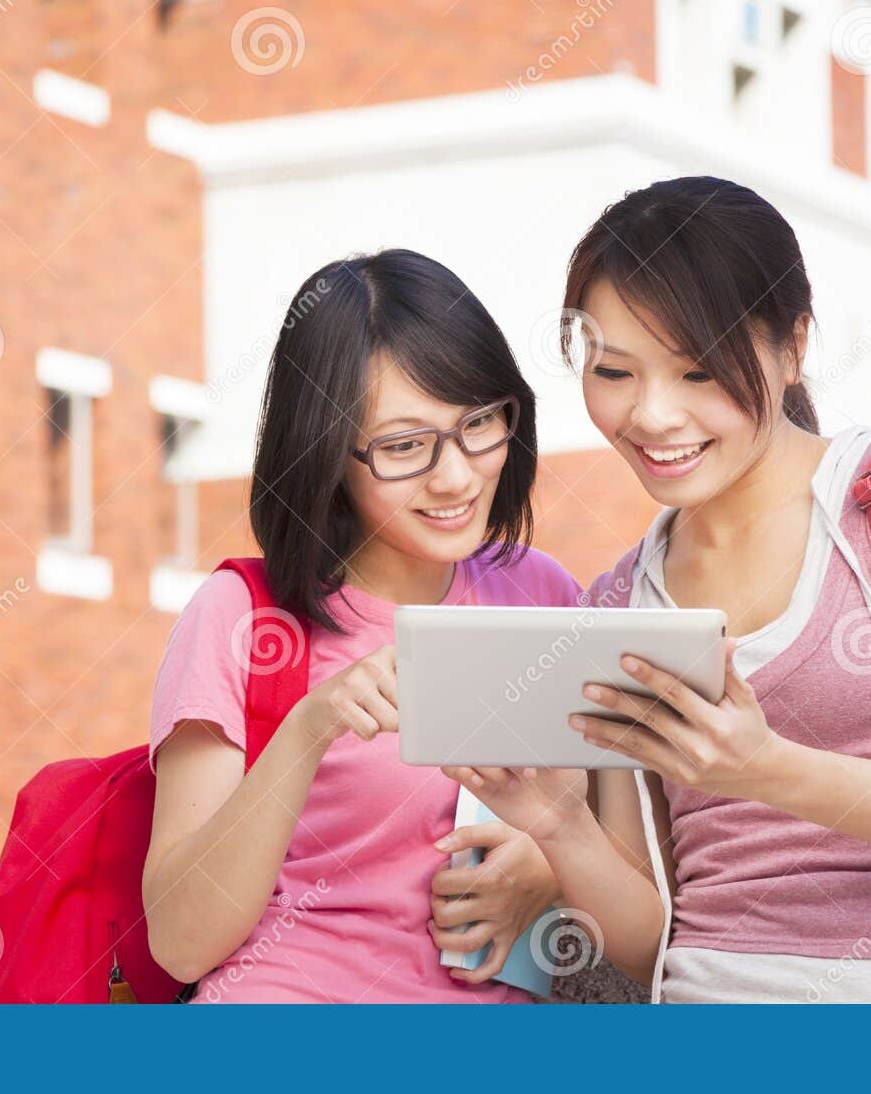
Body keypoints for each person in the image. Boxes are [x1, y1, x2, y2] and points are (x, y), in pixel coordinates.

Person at [447, 177, 871, 1003]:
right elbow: (642, 937)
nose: (653, 415)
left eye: (698, 372)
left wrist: (767, 769)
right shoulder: (618, 600)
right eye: (615, 371)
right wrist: (560, 824)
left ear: (793, 345)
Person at [143, 249, 582, 1002]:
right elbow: (181, 941)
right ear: (326, 452)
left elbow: (629, 827)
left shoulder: (542, 592)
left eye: (480, 423)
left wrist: (549, 865)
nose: (456, 476)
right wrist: (311, 726)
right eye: (405, 446)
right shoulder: (243, 617)